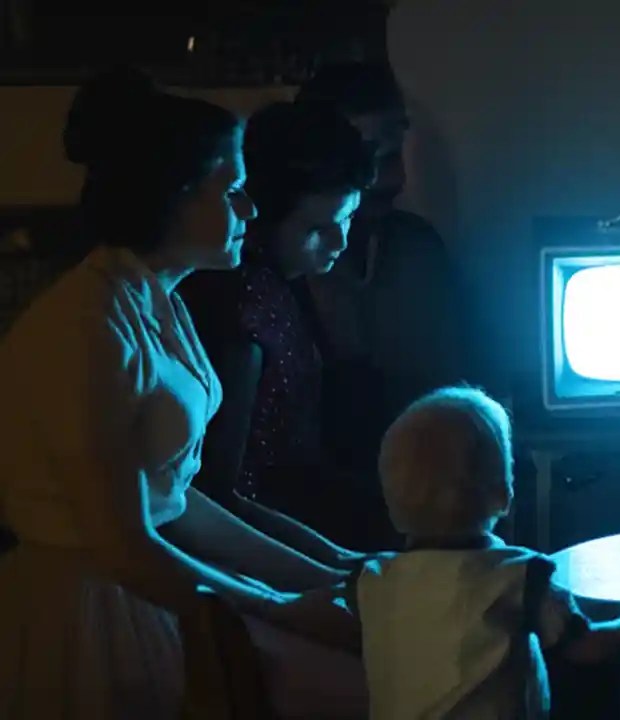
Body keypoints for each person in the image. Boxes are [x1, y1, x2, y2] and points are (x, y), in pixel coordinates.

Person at [0, 68, 361, 718]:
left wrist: (329, 573)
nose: (250, 210)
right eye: (233, 190)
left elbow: (174, 498)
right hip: (97, 613)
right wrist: (286, 607)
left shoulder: (153, 299)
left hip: (151, 587)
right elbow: (125, 543)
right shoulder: (86, 326)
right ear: (171, 195)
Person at [347, 386, 620, 717]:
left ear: (391, 505)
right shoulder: (519, 576)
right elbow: (585, 648)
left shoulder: (370, 581)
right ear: (504, 494)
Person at [181, 100, 390, 553]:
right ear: (261, 216)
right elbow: (220, 489)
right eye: (318, 228)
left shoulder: (283, 284)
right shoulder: (245, 307)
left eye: (349, 218)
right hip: (259, 545)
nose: (340, 242)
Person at [296, 62, 474, 488]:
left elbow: (454, 385)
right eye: (371, 156)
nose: (393, 177)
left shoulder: (418, 250)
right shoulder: (276, 269)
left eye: (396, 153)